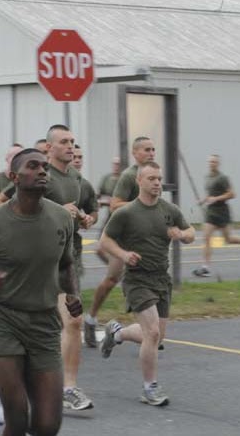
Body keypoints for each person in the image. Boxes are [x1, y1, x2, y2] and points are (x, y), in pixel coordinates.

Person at [0, 148, 81, 436]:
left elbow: (67, 264)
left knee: (48, 426)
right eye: (33, 166)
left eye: (45, 166)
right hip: (4, 322)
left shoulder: (61, 218)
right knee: (17, 419)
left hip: (45, 324)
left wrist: (73, 294)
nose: (42, 171)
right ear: (14, 177)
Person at [98, 161, 195, 406]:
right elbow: (105, 241)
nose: (157, 183)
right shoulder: (126, 213)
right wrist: (123, 255)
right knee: (151, 332)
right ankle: (150, 388)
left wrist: (182, 235)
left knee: (156, 337)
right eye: (151, 178)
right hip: (137, 279)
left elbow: (191, 232)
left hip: (161, 279)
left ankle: (117, 333)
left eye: (159, 179)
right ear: (139, 181)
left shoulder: (169, 210)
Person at [83, 137, 156, 348]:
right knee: (111, 280)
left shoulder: (153, 175)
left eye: (153, 149)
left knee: (149, 280)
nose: (151, 153)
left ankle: (150, 330)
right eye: (146, 150)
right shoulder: (129, 176)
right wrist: (140, 204)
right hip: (122, 239)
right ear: (135, 153)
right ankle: (91, 319)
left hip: (142, 239)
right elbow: (115, 204)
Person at [192, 154, 240, 278]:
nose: (212, 164)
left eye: (214, 162)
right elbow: (210, 194)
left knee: (228, 239)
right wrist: (203, 201)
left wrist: (216, 199)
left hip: (222, 212)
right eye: (210, 162)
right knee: (206, 238)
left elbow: (232, 194)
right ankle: (205, 268)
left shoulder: (223, 178)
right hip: (211, 212)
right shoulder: (207, 177)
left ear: (218, 164)